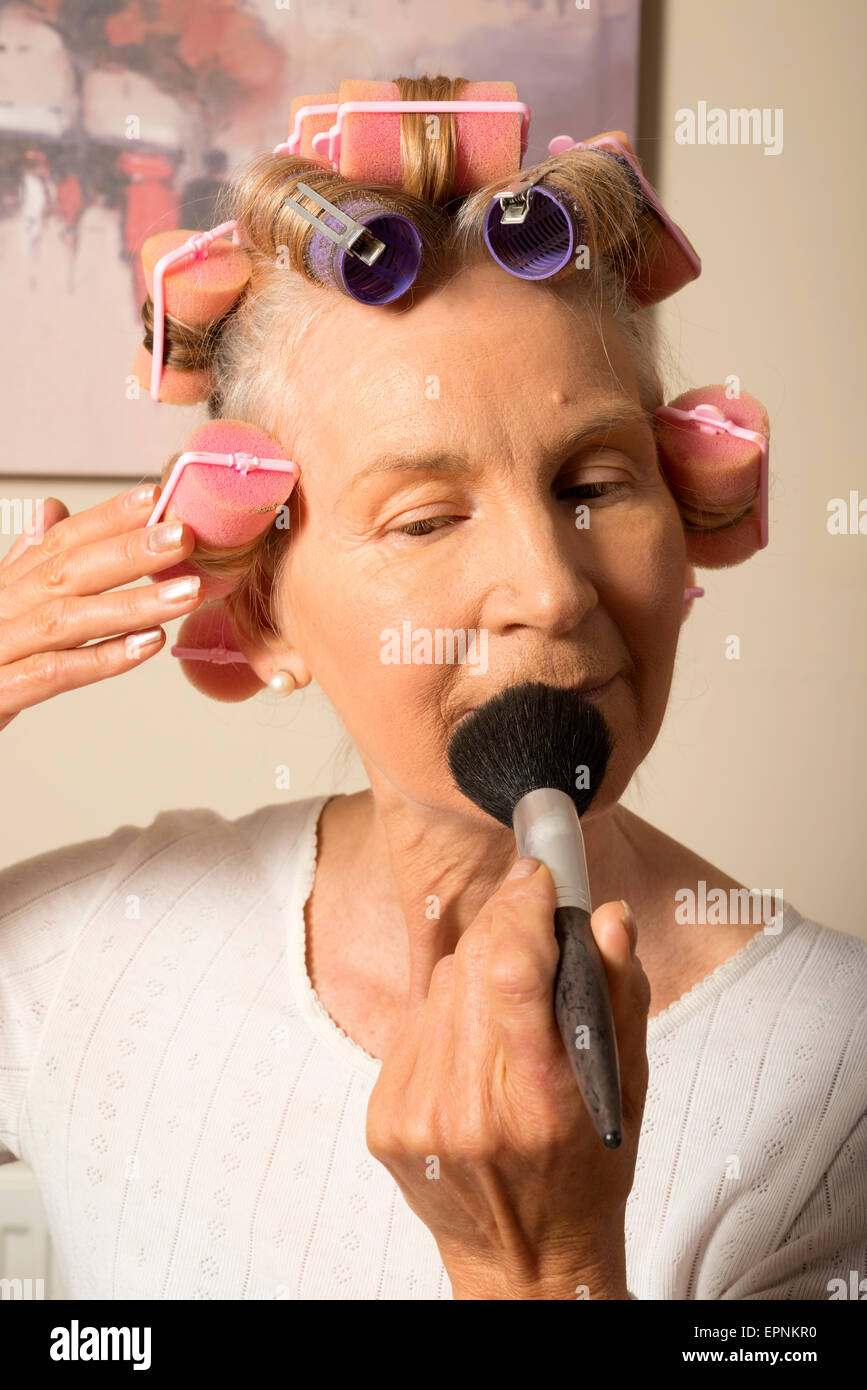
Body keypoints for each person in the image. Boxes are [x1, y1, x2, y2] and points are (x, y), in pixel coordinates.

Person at [0, 74, 864, 1301]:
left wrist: (544, 1267)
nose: (551, 590)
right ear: (257, 614)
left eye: (593, 483)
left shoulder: (844, 1077)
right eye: (423, 518)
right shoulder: (86, 957)